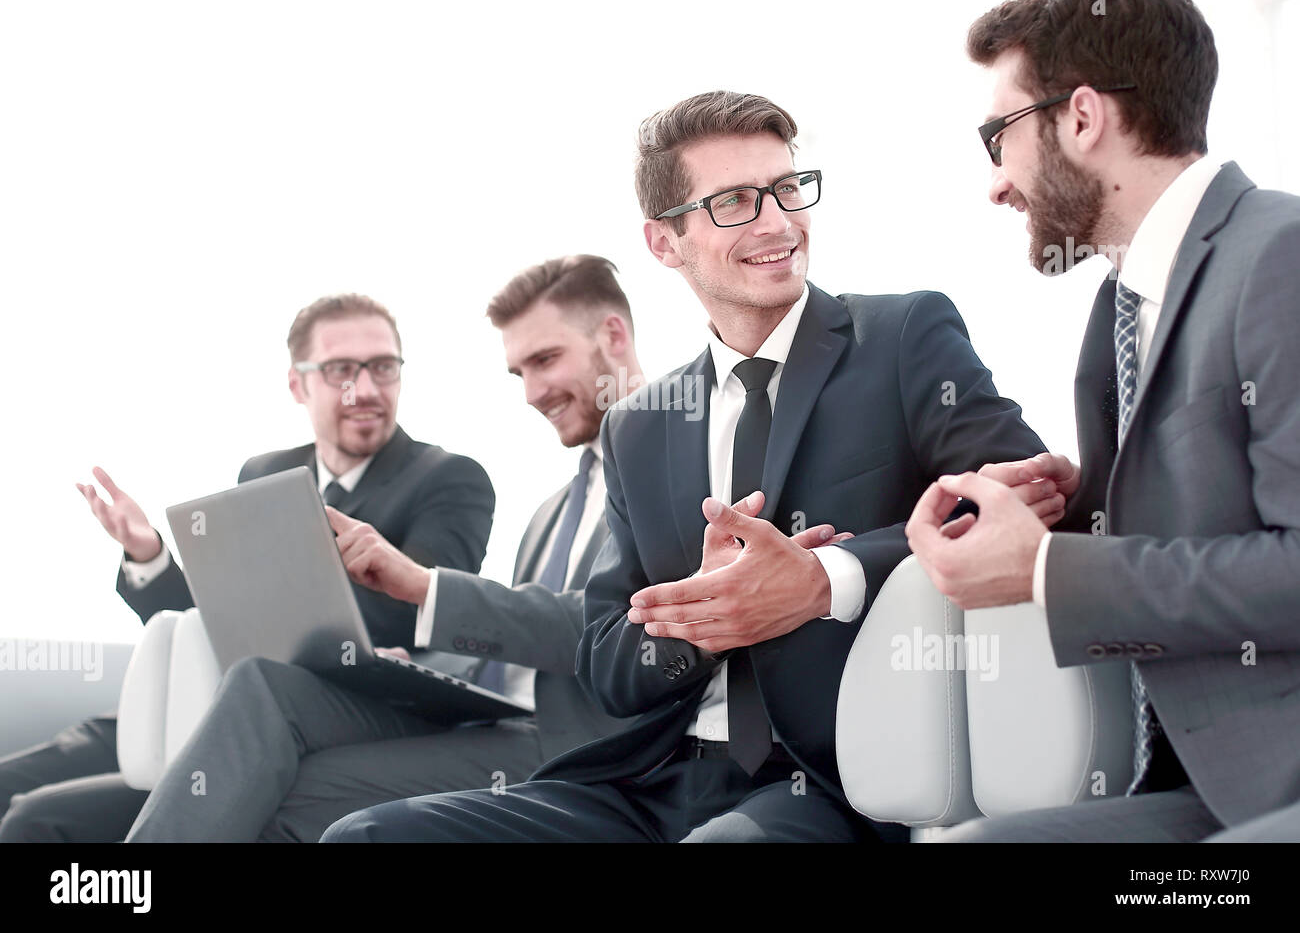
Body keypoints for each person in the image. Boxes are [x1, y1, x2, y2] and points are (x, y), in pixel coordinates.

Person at [323, 89, 1049, 843]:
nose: (777, 221)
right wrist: (697, 621)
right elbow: (606, 654)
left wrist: (827, 580)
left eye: (787, 189)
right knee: (367, 836)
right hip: (653, 776)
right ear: (665, 243)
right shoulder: (641, 427)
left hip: (834, 780)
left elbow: (1021, 497)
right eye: (735, 200)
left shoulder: (901, 336)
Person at [127, 255, 825, 842]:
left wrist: (425, 589)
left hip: (577, 740)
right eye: (518, 372)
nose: (532, 392)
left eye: (545, 360)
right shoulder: (550, 512)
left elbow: (615, 627)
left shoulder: (692, 474)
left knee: (292, 788)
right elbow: (520, 639)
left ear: (614, 336)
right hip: (488, 712)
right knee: (264, 687)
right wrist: (419, 665)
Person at [903, 0, 1300, 842]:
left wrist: (1045, 573)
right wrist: (1060, 509)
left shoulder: (1281, 255)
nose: (996, 184)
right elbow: (1208, 513)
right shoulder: (1120, 305)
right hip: (1200, 784)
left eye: (997, 135)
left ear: (1082, 118)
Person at [0, 293, 493, 842]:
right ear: (297, 384)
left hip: (332, 720)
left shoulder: (449, 479)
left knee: (37, 820)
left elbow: (420, 608)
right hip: (220, 701)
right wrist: (149, 555)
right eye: (340, 370)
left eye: (383, 367)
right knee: (14, 785)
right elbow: (220, 621)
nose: (367, 390)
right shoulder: (267, 472)